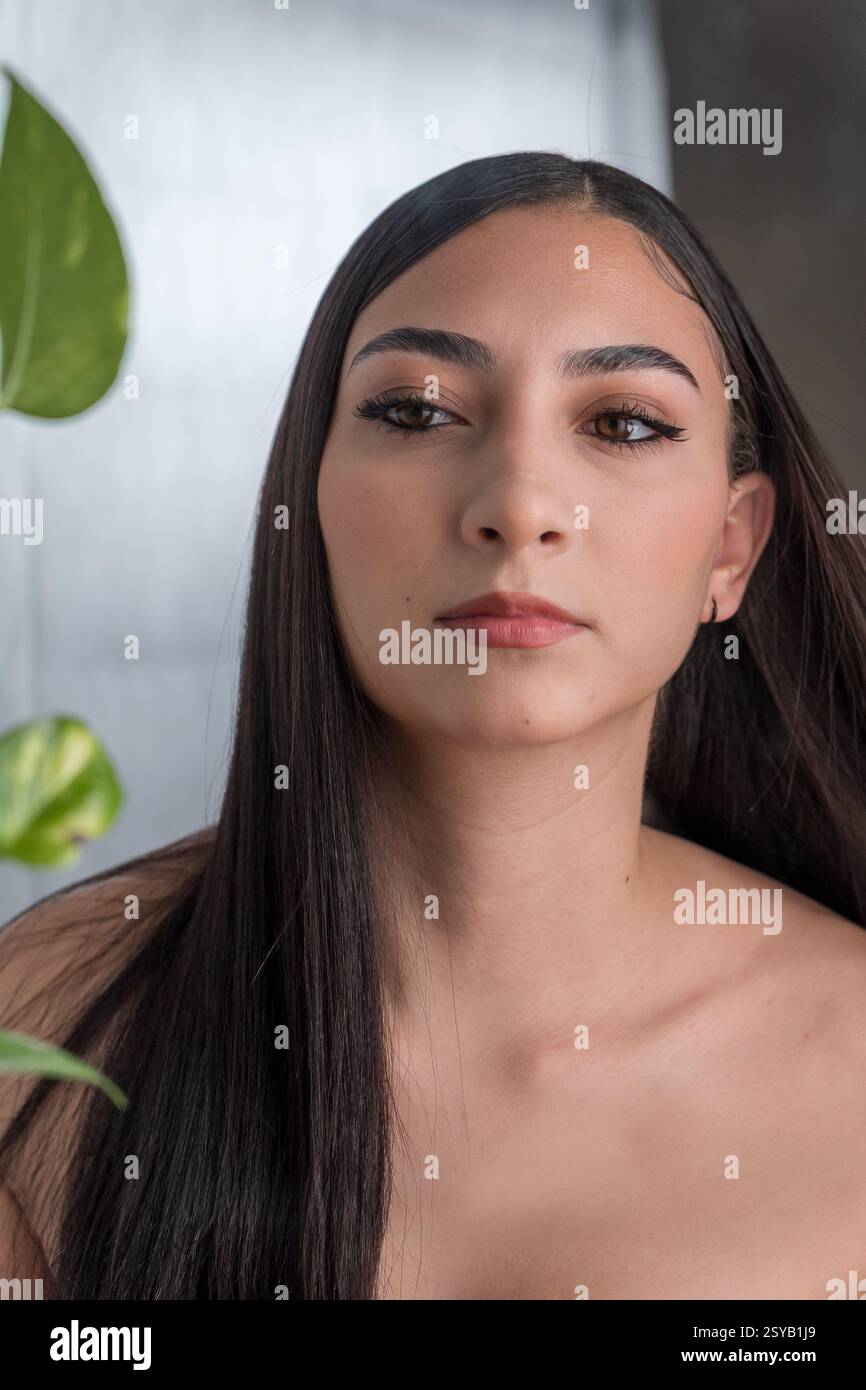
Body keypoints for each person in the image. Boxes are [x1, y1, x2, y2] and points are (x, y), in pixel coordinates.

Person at [2, 153, 866, 1301]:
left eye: (619, 422)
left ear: (729, 547)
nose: (516, 503)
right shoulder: (38, 1032)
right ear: (304, 499)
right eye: (415, 410)